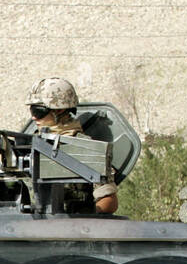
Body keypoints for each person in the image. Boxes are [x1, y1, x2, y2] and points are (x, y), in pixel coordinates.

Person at [25, 77, 119, 215]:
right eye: (32, 111)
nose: (34, 117)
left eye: (38, 111)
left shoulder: (88, 149)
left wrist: (83, 217)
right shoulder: (27, 144)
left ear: (58, 110)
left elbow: (109, 202)